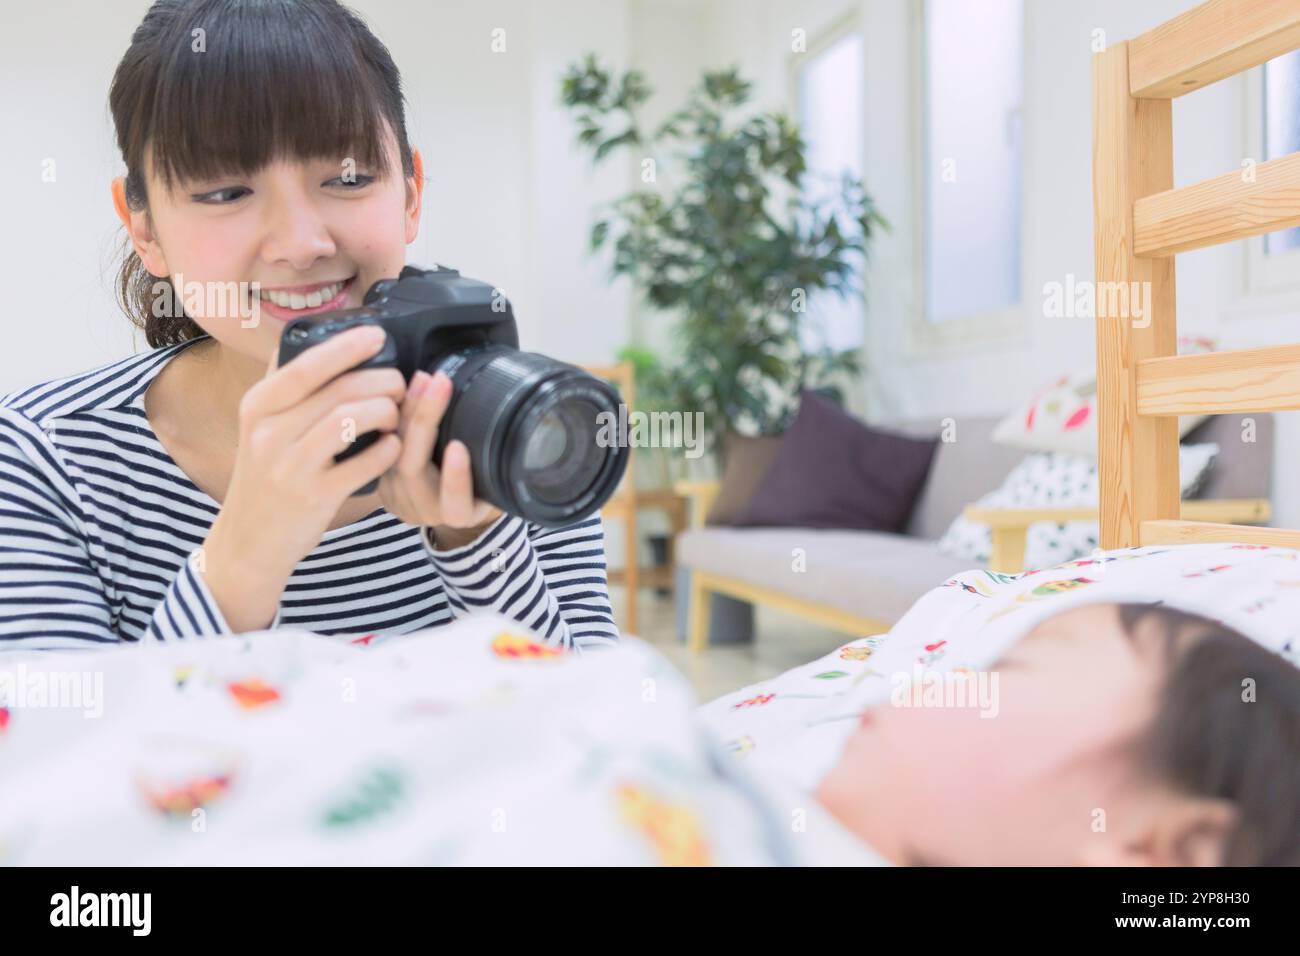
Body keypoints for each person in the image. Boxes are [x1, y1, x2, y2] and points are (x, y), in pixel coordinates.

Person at [0, 0, 618, 650]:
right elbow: (58, 751)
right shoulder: (42, 460)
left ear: (410, 192)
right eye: (225, 193)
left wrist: (476, 539)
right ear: (144, 228)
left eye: (347, 178)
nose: (300, 243)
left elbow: (603, 740)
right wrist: (244, 554)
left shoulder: (518, 415)